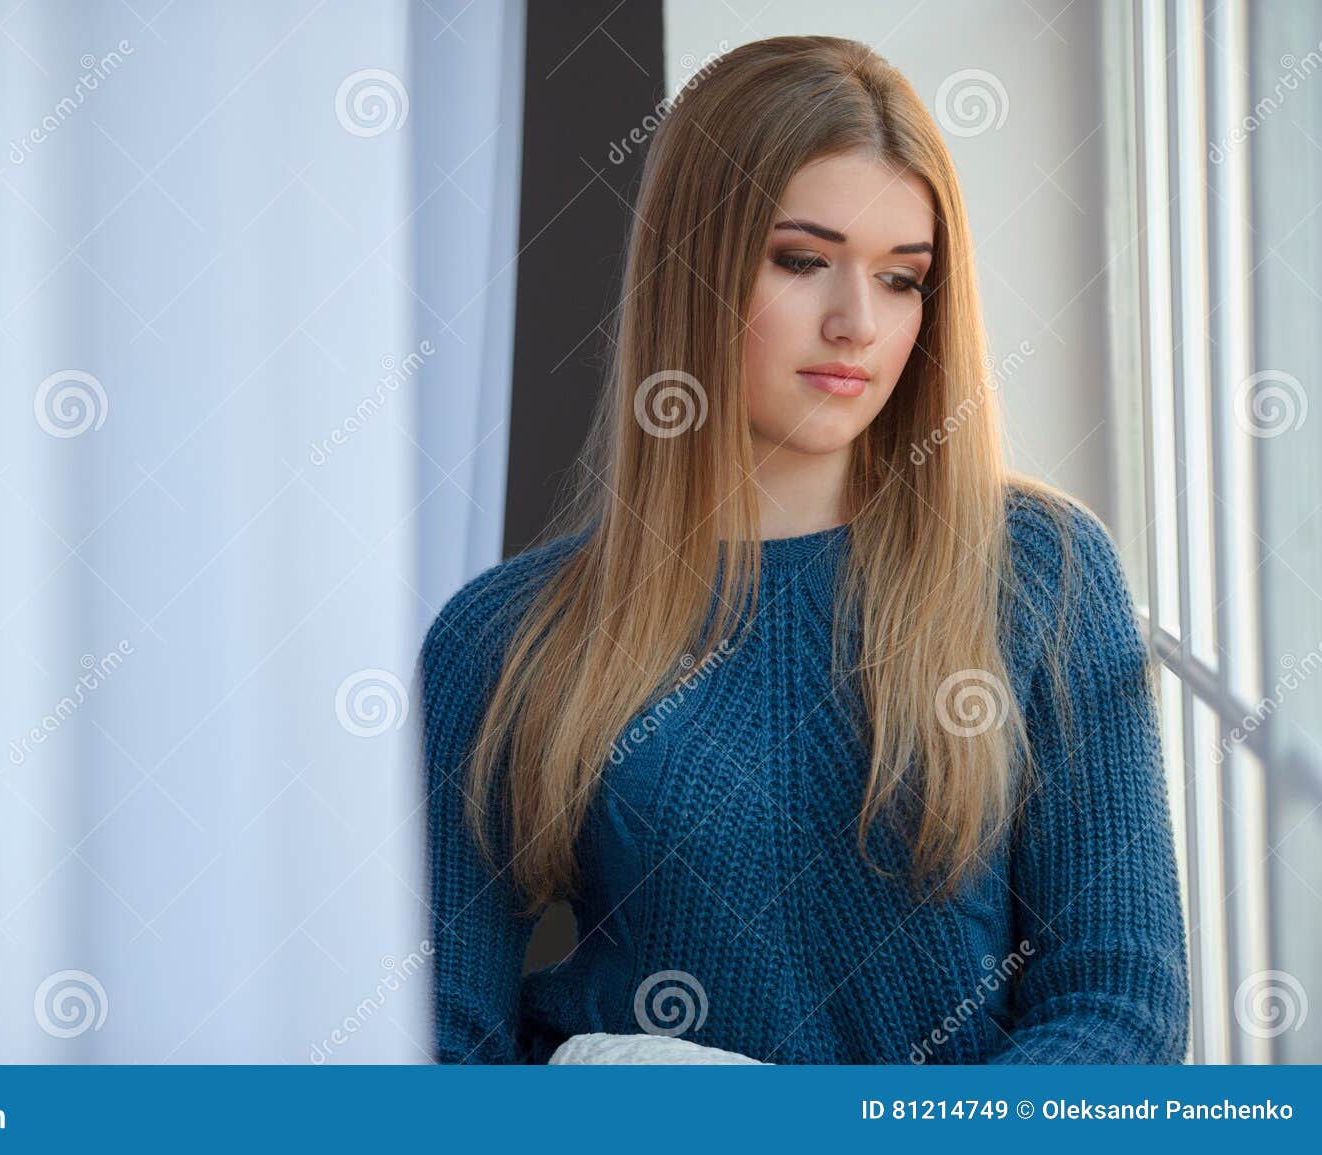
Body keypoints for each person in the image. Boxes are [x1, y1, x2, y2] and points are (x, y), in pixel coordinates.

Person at [417, 34, 1190, 1065]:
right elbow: (439, 1044)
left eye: (903, 278)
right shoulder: (504, 636)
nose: (856, 324)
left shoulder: (1040, 573)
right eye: (800, 261)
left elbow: (1121, 1008)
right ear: (691, 265)